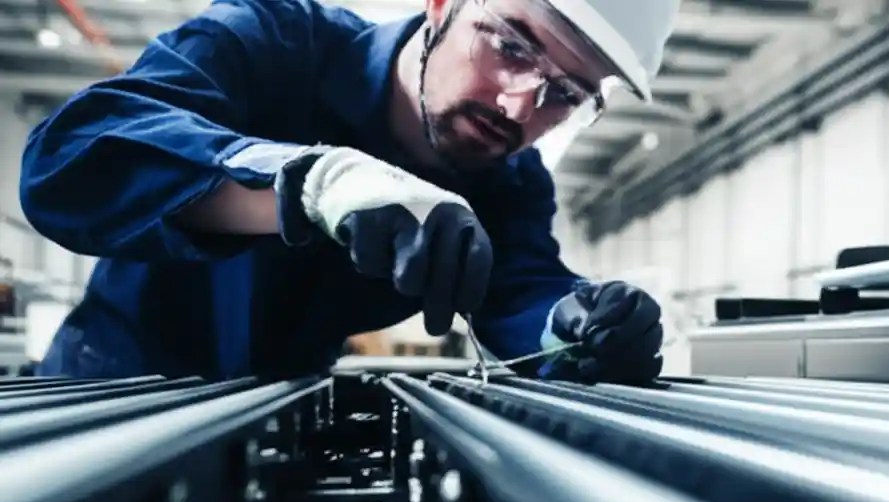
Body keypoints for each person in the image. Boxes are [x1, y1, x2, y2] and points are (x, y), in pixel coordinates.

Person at [20, 0, 678, 384]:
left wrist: (575, 326)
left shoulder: (509, 182)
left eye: (563, 94)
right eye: (509, 44)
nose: (516, 104)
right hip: (109, 391)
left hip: (278, 421)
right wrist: (309, 185)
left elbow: (518, 291)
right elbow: (67, 163)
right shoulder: (268, 42)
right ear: (443, 5)